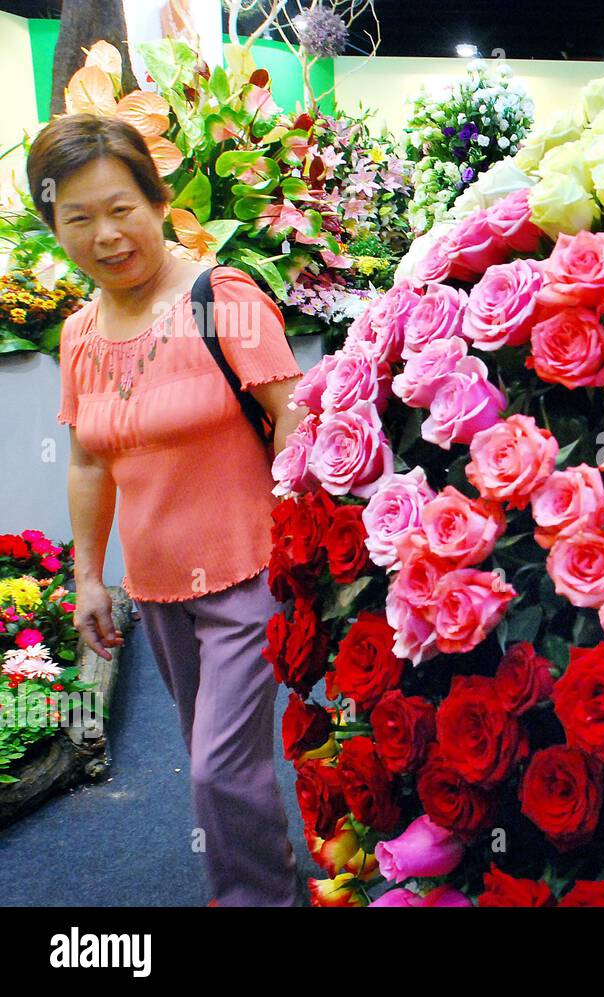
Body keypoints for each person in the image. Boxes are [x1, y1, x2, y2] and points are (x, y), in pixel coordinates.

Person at [28, 113, 309, 907]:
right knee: (210, 756)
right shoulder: (80, 332)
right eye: (77, 218)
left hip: (247, 565)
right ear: (54, 225)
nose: (107, 235)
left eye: (121, 208)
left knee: (221, 765)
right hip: (156, 588)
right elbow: (88, 457)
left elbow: (293, 410)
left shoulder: (224, 297)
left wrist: (293, 521)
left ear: (158, 201)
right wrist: (89, 576)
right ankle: (255, 877)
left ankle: (258, 899)